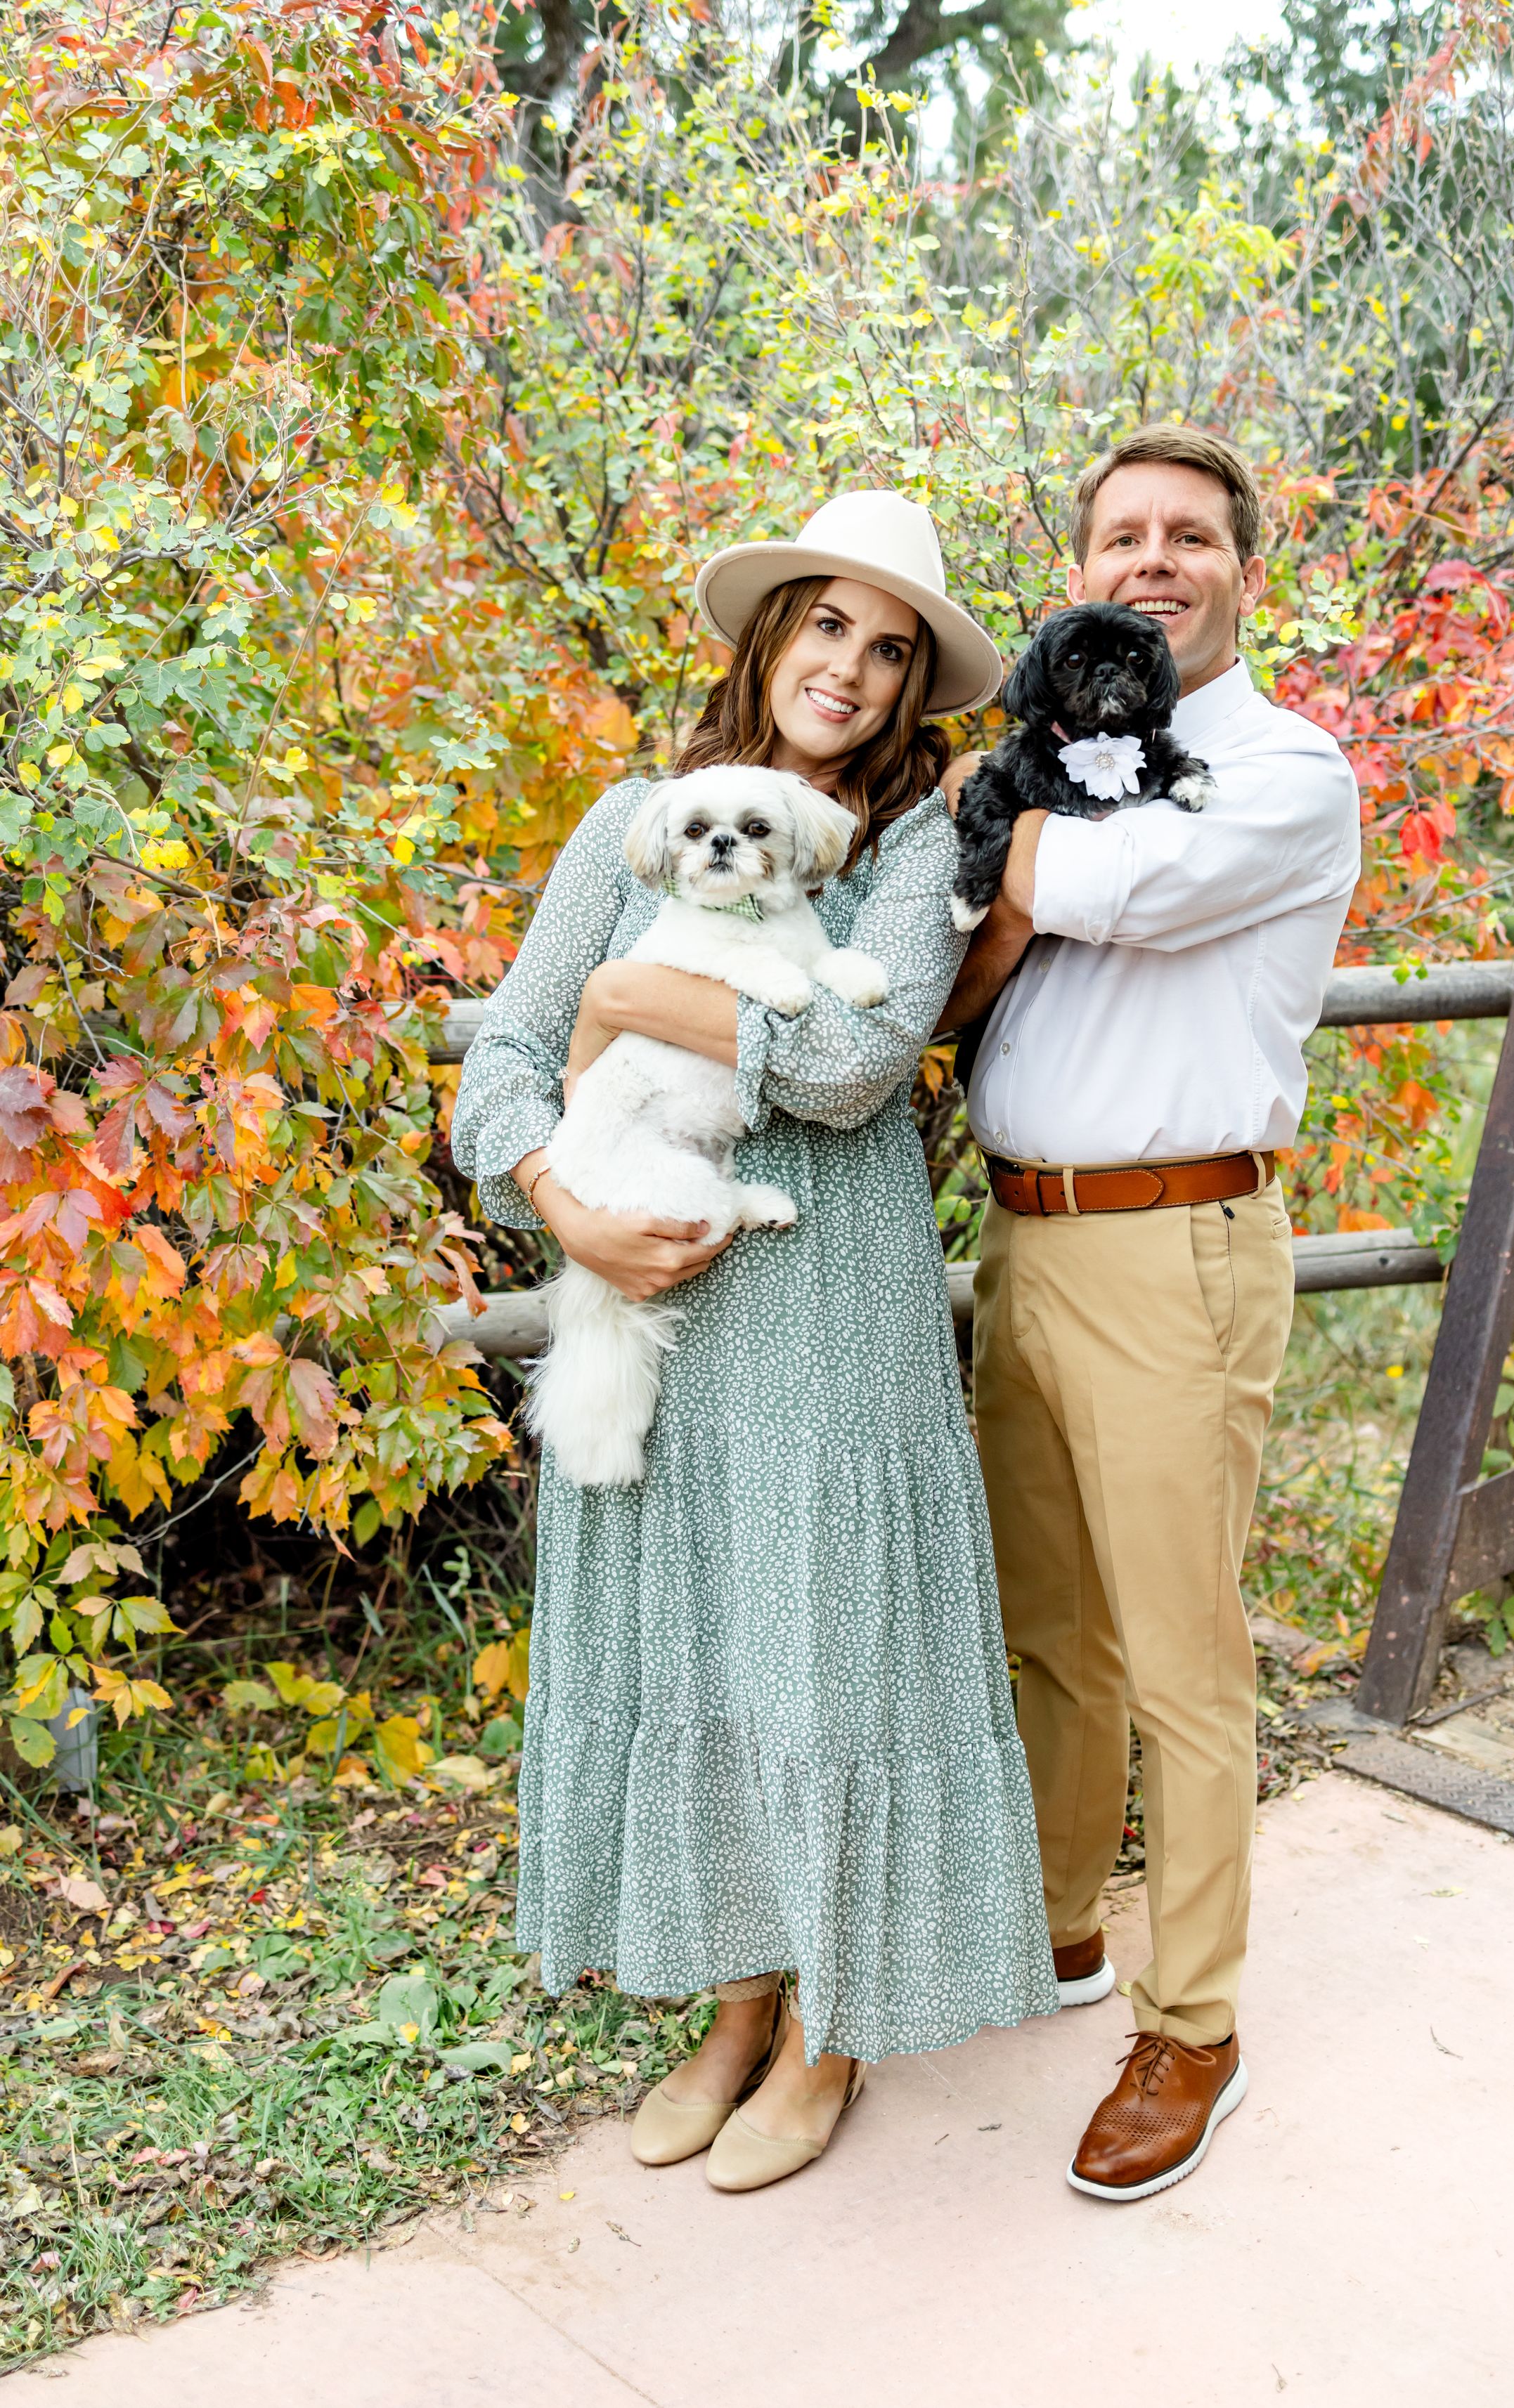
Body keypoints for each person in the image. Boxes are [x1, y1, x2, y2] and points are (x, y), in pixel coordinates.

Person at [451, 490, 1057, 2196]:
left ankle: (831, 2027)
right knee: (703, 1650)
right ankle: (731, 2002)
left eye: (889, 649)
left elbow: (853, 1074)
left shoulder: (927, 839)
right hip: (657, 1304)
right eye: (826, 628)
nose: (851, 671)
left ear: (914, 683)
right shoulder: (633, 820)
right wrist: (560, 1203)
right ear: (768, 631)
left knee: (831, 1659)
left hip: (832, 1319)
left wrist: (631, 1000)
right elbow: (504, 1058)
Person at [942, 424, 1361, 2201]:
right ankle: (1053, 1923)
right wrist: (1003, 839)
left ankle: (1192, 2022)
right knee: (1050, 1623)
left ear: (1241, 571)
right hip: (1022, 1244)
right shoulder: (1060, 750)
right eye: (1121, 534)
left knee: (1183, 1657)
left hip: (1176, 1248)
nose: (1153, 560)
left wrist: (1000, 830)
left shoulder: (1283, 767)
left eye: (1190, 534)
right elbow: (981, 943)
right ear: (1082, 562)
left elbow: (1077, 888)